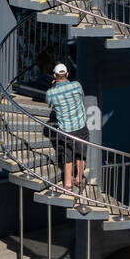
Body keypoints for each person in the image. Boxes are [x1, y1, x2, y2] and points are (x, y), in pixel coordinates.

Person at [46, 62, 88, 192]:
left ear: (54, 75)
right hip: (81, 126)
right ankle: (79, 179)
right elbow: (82, 97)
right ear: (67, 74)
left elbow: (49, 104)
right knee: (81, 154)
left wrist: (53, 88)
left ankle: (68, 185)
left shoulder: (51, 93)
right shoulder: (76, 85)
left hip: (65, 130)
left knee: (67, 155)